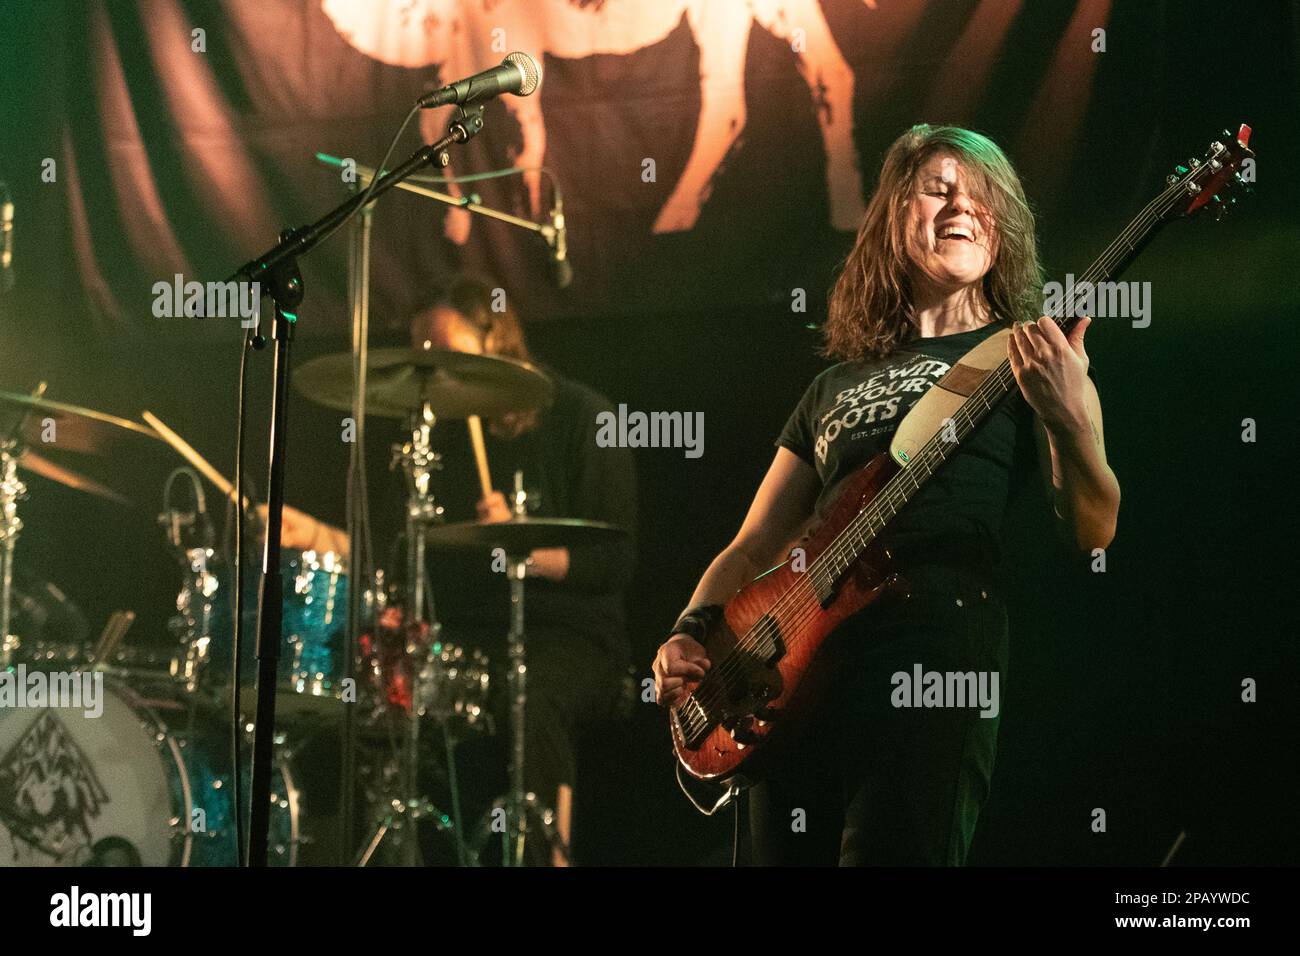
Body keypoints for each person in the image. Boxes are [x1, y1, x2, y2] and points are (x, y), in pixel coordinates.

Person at [652, 125, 1121, 866]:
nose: (961, 204)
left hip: (930, 634)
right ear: (895, 218)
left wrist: (1070, 419)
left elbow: (1094, 528)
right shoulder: (830, 385)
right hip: (793, 660)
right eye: (937, 188)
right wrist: (690, 626)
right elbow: (753, 544)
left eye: (982, 196)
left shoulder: (1035, 353)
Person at [284, 277, 636, 865]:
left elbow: (615, 560)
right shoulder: (437, 437)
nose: (428, 365)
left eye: (444, 348)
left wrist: (523, 548)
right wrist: (315, 535)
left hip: (573, 637)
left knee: (531, 693)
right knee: (372, 682)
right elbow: (398, 555)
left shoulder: (586, 417)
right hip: (469, 634)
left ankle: (546, 855)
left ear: (495, 340)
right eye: (419, 350)